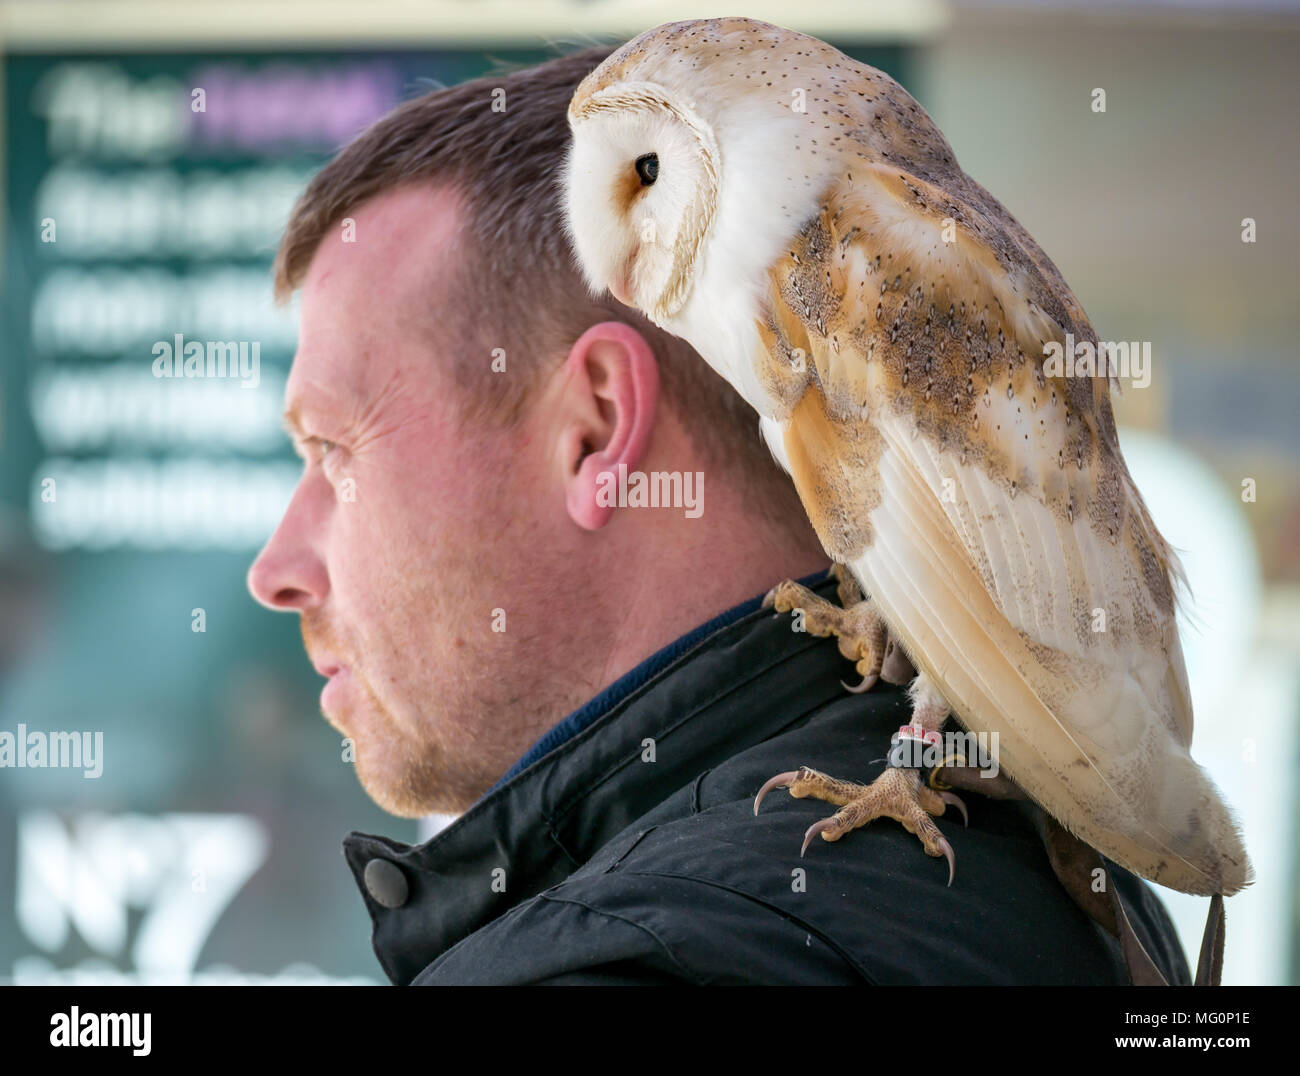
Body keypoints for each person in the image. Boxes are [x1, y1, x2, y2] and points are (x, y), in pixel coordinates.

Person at [247, 45, 1191, 985]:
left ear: (598, 427)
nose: (274, 568)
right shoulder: (1015, 871)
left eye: (333, 450)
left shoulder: (639, 960)